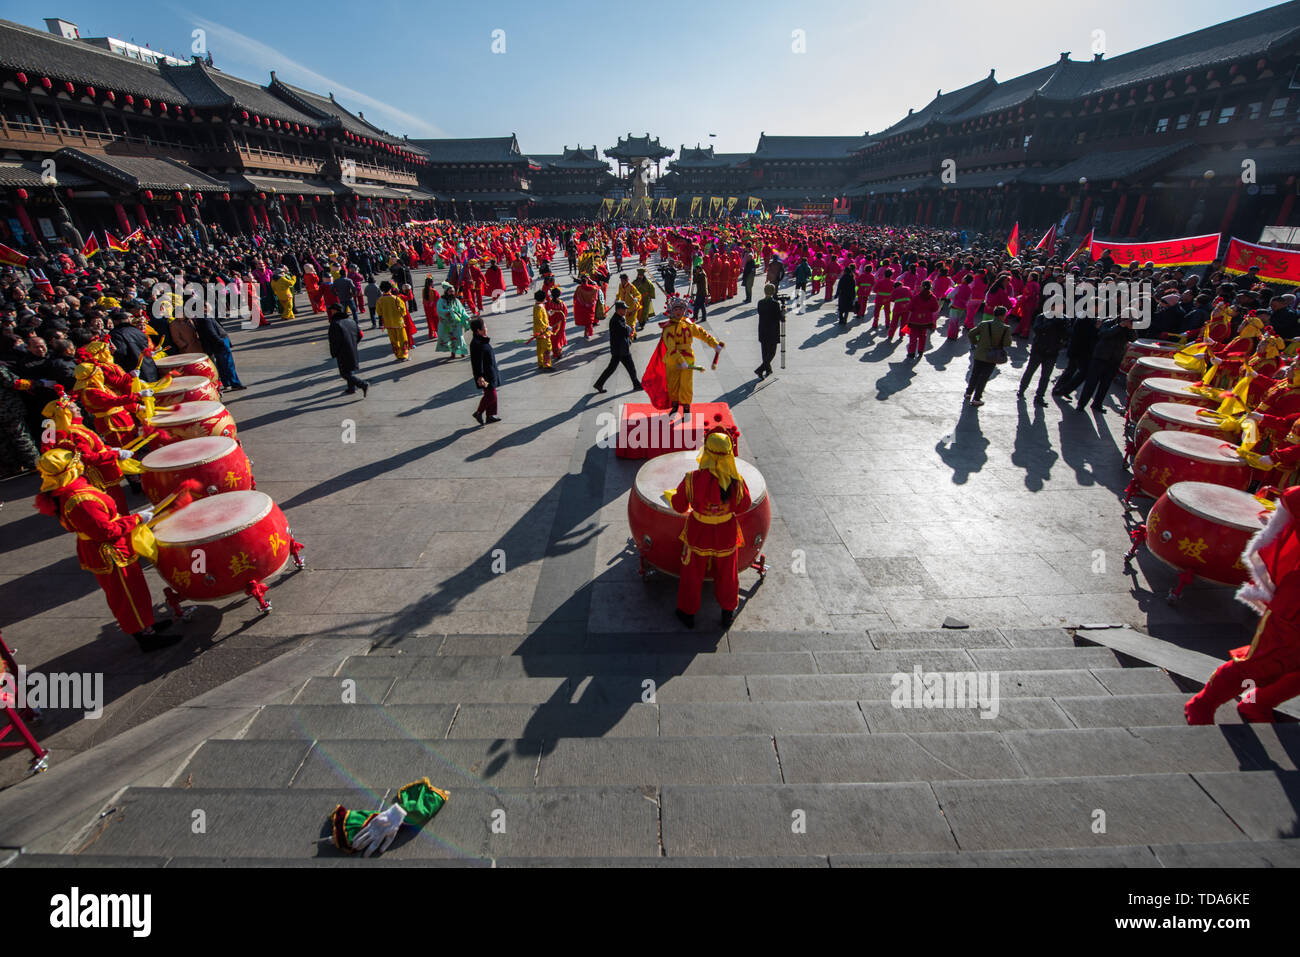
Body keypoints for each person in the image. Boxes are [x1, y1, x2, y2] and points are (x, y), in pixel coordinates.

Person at [33, 448, 178, 652]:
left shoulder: (72, 490)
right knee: (127, 595)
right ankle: (146, 636)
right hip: (109, 552)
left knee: (135, 590)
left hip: (111, 547)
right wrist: (137, 519)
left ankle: (146, 623)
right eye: (75, 464)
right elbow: (106, 531)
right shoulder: (80, 500)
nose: (80, 464)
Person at [1185, 486, 1300, 724]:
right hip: (1295, 604)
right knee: (1263, 661)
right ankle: (1203, 703)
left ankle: (1258, 703)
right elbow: (1293, 497)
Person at [669, 430, 751, 629]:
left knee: (692, 575)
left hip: (698, 534)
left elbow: (679, 506)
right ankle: (727, 613)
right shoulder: (737, 482)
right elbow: (744, 506)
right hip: (727, 534)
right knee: (728, 574)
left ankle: (687, 614)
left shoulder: (691, 479)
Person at [1073, 313, 1135, 413]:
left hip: (1114, 359)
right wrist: (1120, 326)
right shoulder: (1109, 322)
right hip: (1100, 357)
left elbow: (1133, 338)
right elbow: (1104, 334)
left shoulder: (1129, 327)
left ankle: (1097, 404)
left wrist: (1131, 329)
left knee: (1105, 384)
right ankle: (1081, 404)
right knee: (1091, 383)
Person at [1018, 308, 1069, 405]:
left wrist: (1064, 327)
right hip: (1039, 350)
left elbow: (1068, 334)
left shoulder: (1064, 319)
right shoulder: (1042, 316)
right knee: (1030, 371)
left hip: (1052, 352)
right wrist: (1053, 322)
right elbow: (1037, 329)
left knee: (1045, 377)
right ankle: (1021, 389)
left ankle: (1040, 396)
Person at [965, 305, 1011, 407]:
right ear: (1003, 316)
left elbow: (971, 333)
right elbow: (1007, 343)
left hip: (980, 353)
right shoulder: (1005, 328)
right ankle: (977, 398)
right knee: (984, 377)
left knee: (975, 374)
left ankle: (968, 393)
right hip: (992, 356)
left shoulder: (984, 324)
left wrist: (976, 343)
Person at [593, 300, 641, 394]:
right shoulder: (616, 320)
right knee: (621, 368)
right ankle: (599, 384)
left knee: (626, 368)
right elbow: (624, 331)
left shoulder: (619, 318)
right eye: (624, 309)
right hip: (620, 350)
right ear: (619, 310)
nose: (626, 310)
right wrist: (629, 328)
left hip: (620, 349)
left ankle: (636, 384)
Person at [327, 303, 368, 397]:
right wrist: (353, 343)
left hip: (342, 350)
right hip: (352, 347)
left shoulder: (335, 323)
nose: (330, 312)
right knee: (349, 369)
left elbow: (334, 341)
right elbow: (360, 334)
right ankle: (351, 388)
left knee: (344, 373)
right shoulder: (351, 320)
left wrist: (334, 352)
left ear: (335, 311)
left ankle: (362, 384)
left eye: (332, 310)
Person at [469, 317, 500, 425]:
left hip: (490, 372)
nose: (486, 328)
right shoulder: (477, 344)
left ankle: (490, 415)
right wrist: (480, 376)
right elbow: (477, 362)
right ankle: (479, 412)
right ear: (478, 330)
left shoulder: (481, 339)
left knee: (491, 392)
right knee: (491, 395)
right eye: (484, 327)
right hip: (485, 375)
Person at [375, 281, 410, 362]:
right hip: (398, 322)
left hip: (388, 323)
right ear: (390, 288)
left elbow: (379, 312)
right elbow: (403, 311)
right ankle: (404, 355)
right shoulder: (396, 299)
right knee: (402, 339)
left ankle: (398, 355)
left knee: (394, 340)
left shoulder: (379, 300)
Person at [435, 283, 471, 359]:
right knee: (450, 337)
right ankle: (453, 353)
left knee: (460, 337)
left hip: (456, 322)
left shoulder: (456, 301)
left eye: (453, 291)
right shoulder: (441, 301)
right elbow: (439, 310)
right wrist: (449, 311)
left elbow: (462, 310)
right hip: (447, 323)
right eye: (450, 291)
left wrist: (467, 317)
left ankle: (462, 352)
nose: (452, 293)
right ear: (446, 291)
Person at [756, 283, 781, 379]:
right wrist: (783, 312)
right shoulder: (775, 304)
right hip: (772, 330)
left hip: (762, 329)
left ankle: (768, 369)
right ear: (773, 292)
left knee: (765, 351)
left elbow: (760, 312)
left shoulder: (760, 302)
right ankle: (761, 369)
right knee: (772, 352)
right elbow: (779, 317)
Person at [531, 290, 552, 370]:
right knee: (547, 347)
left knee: (539, 348)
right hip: (543, 331)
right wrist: (546, 327)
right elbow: (539, 320)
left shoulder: (537, 305)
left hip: (538, 331)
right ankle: (546, 364)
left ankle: (541, 363)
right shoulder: (539, 307)